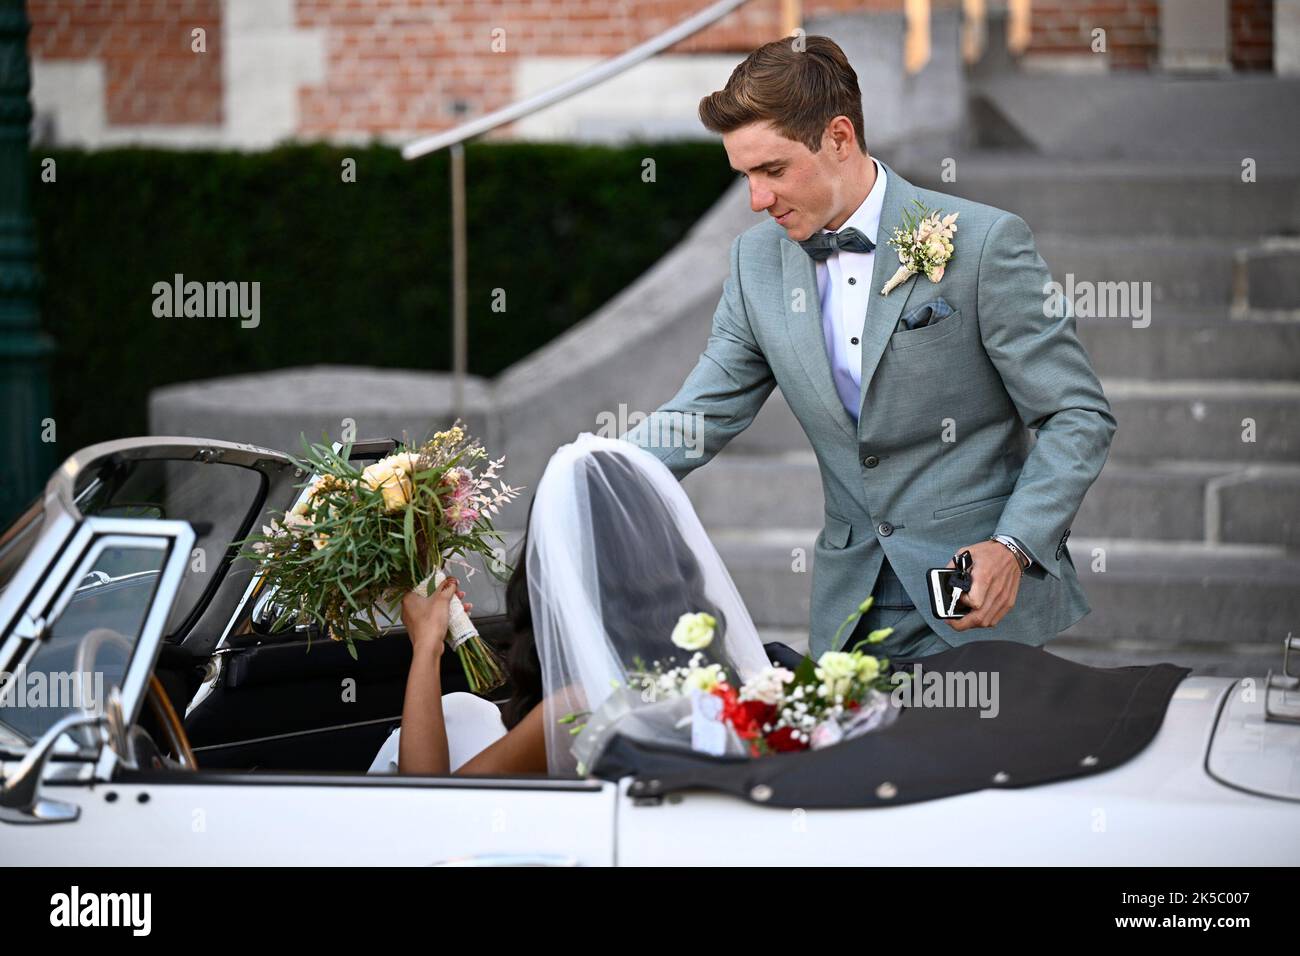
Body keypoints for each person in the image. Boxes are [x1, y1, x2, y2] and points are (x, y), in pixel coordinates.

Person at [621, 35, 1117, 660]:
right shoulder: (755, 261)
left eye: (772, 170)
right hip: (849, 607)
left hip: (978, 603)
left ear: (838, 137)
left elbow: (1077, 414)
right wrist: (591, 474)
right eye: (745, 174)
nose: (757, 199)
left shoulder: (985, 242)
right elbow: (702, 411)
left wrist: (1013, 546)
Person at [368, 433, 772, 777]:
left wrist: (427, 646)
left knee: (460, 715)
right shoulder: (724, 680)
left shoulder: (580, 709)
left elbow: (428, 802)